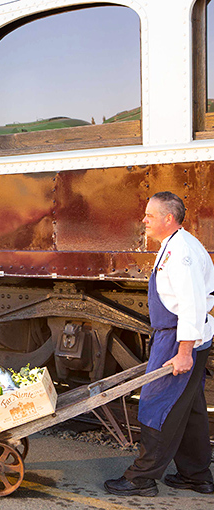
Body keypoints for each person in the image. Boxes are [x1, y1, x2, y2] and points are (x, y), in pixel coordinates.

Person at [104, 192, 214, 497]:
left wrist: (184, 352)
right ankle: (197, 476)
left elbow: (191, 305)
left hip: (180, 337)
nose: (144, 220)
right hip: (179, 335)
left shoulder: (182, 253)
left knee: (158, 406)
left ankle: (141, 479)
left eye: (150, 216)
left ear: (169, 218)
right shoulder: (175, 243)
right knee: (189, 410)